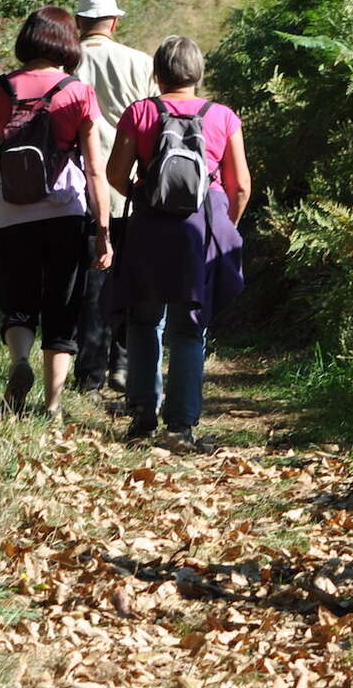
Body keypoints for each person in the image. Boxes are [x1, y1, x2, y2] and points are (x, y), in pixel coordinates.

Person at [106, 35, 250, 449]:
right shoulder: (222, 116)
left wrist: (141, 191)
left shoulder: (141, 112)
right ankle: (181, 426)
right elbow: (240, 186)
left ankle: (141, 416)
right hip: (199, 230)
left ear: (157, 73)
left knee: (144, 321)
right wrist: (224, 227)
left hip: (149, 227)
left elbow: (116, 173)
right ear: (198, 74)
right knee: (190, 329)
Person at [0, 6, 113, 419]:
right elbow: (94, 168)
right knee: (61, 306)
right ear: (68, 43)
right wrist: (103, 228)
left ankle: (19, 362)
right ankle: (52, 406)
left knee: (17, 301)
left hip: (11, 213)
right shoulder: (77, 91)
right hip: (65, 213)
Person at [72, 0, 157, 394]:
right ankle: (123, 363)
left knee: (90, 281)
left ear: (78, 23)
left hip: (80, 189)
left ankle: (89, 370)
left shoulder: (66, 63)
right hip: (129, 185)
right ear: (115, 22)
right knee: (130, 276)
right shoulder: (140, 63)